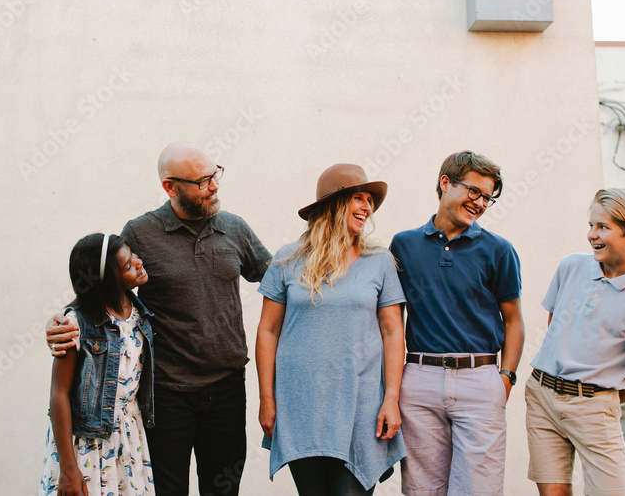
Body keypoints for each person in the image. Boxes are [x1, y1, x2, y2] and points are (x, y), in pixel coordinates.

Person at [46, 142, 271, 496]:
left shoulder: (234, 228)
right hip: (165, 394)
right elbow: (104, 286)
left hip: (227, 389)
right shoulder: (140, 233)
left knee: (223, 490)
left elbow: (277, 280)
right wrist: (63, 320)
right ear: (170, 187)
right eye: (202, 181)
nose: (213, 186)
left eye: (215, 175)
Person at [255, 163, 407, 495]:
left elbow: (393, 332)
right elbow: (268, 330)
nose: (367, 208)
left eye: (369, 200)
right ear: (334, 204)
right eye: (358, 198)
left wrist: (391, 399)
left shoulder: (379, 261)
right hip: (301, 406)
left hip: (361, 408)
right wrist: (266, 398)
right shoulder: (287, 260)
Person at [389, 151, 524, 496]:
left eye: (487, 198)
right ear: (445, 182)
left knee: (479, 489)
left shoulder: (499, 250)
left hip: (480, 378)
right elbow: (391, 322)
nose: (480, 203)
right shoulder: (403, 245)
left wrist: (505, 379)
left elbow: (513, 321)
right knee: (421, 490)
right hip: (419, 379)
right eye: (474, 191)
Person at [526, 188, 625, 496]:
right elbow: (556, 328)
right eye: (591, 225)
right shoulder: (570, 266)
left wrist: (601, 399)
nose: (592, 235)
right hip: (542, 397)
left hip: (595, 407)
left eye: (603, 227)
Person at [39, 233, 155, 496]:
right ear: (108, 282)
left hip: (129, 436)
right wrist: (69, 468)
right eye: (128, 265)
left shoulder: (141, 315)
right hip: (86, 443)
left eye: (133, 255)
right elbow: (59, 394)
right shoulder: (75, 325)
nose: (138, 262)